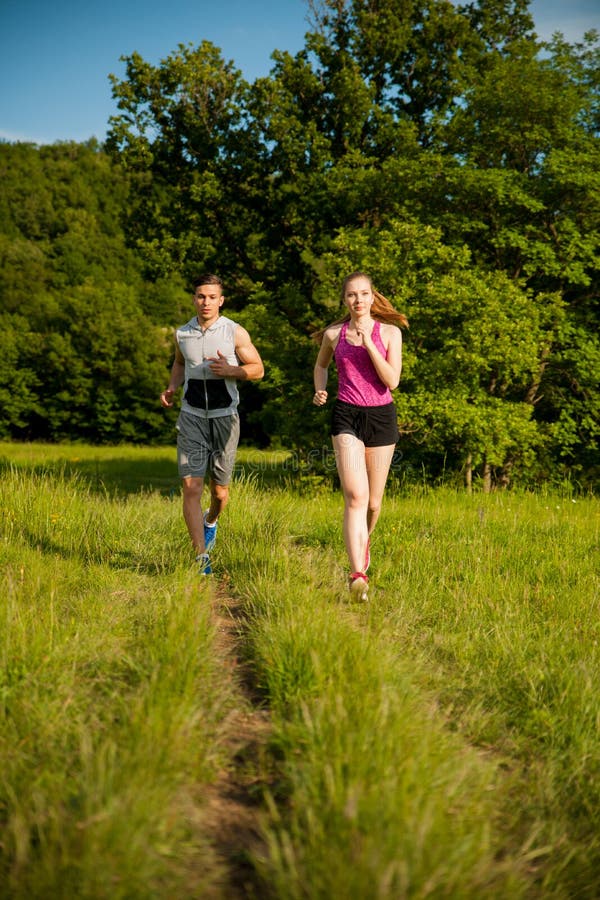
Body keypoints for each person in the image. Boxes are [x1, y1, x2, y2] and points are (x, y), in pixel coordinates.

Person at [312, 271, 408, 600]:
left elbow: (392, 380)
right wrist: (320, 389)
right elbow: (321, 366)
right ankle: (357, 575)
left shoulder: (391, 333)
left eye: (364, 294)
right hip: (346, 415)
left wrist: (369, 344)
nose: (358, 300)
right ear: (345, 300)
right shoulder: (333, 334)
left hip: (381, 417)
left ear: (372, 297)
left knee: (374, 503)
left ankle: (362, 546)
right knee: (355, 496)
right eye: (351, 295)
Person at [160, 274, 264, 574]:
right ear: (194, 298)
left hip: (224, 418)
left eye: (211, 297)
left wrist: (233, 370)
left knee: (219, 493)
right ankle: (200, 557)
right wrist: (172, 387)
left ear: (221, 300)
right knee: (191, 488)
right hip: (191, 416)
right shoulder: (183, 334)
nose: (205, 302)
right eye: (200, 296)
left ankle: (211, 520)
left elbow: (258, 369)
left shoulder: (234, 332)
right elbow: (180, 364)